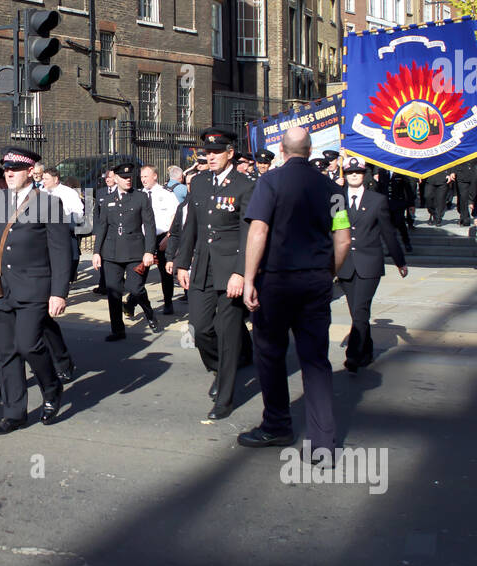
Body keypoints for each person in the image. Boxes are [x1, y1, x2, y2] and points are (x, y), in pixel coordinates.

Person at [239, 126, 351, 457]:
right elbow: (343, 239)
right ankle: (323, 442)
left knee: (271, 354)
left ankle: (277, 425)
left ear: (283, 151)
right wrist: (329, 272)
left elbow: (258, 230)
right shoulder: (332, 189)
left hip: (276, 280)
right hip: (315, 280)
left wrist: (248, 278)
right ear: (310, 149)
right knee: (315, 360)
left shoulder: (270, 182)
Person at [0, 148, 72, 434]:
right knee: (6, 352)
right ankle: (14, 413)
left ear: (30, 171)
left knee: (28, 344)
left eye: (15, 169)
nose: (9, 173)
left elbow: (61, 252)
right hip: (2, 288)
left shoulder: (49, 204)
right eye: (6, 170)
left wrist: (59, 293)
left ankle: (51, 387)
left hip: (35, 288)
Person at [175, 128, 257, 420]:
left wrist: (241, 273)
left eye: (215, 152)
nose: (209, 157)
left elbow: (250, 234)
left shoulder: (245, 185)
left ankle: (225, 396)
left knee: (228, 332)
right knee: (200, 328)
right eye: (206, 153)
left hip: (231, 270)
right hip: (203, 268)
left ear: (230, 153)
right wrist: (182, 263)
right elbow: (191, 227)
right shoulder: (198, 183)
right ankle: (219, 367)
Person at [337, 157, 408, 371]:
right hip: (346, 264)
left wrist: (399, 261)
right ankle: (366, 351)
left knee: (360, 309)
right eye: (350, 173)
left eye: (358, 172)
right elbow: (332, 231)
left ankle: (353, 355)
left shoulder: (377, 200)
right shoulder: (337, 200)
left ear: (364, 174)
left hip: (369, 262)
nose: (354, 176)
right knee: (357, 312)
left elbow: (388, 232)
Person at [93, 162, 159, 341]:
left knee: (135, 289)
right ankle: (117, 330)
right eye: (124, 177)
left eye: (130, 177)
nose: (128, 180)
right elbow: (102, 227)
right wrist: (96, 252)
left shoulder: (141, 198)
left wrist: (149, 251)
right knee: (113, 293)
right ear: (115, 178)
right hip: (111, 252)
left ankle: (149, 313)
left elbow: (150, 227)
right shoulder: (106, 200)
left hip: (135, 252)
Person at [140, 165, 180, 314]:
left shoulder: (166, 194)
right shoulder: (139, 195)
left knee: (165, 272)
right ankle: (133, 300)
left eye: (146, 176)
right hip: (144, 239)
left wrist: (169, 237)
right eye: (142, 176)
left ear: (155, 176)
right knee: (140, 270)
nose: (143, 179)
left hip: (163, 237)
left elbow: (176, 217)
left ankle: (168, 302)